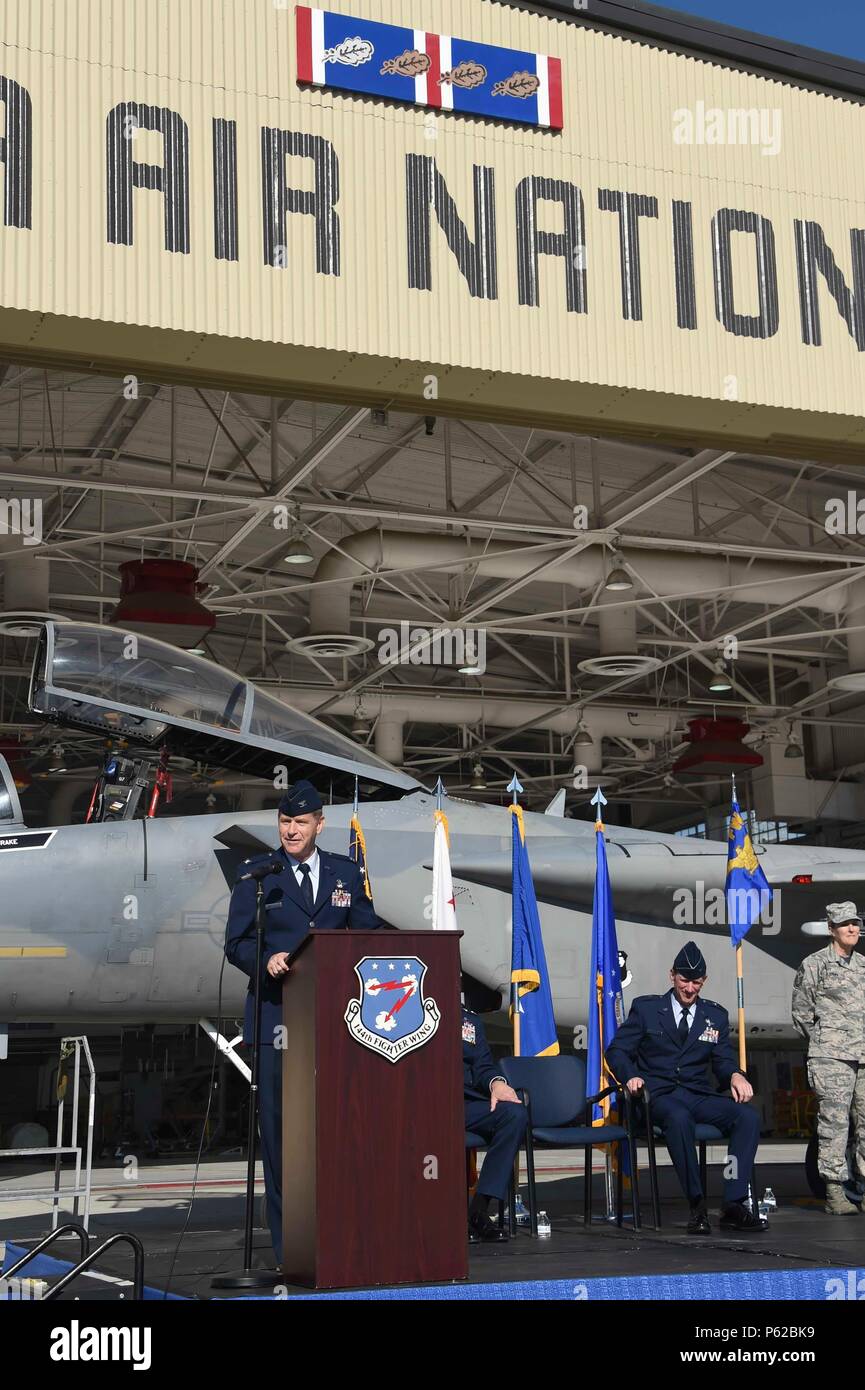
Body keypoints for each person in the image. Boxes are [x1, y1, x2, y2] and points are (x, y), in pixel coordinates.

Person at [225, 780, 380, 1260]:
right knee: (282, 1136)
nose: (291, 831)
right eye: (285, 822)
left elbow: (366, 933)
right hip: (277, 1021)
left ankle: (342, 1235)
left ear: (319, 823)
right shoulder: (257, 875)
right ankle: (290, 1246)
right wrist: (267, 959)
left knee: (337, 1130)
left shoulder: (345, 873)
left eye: (301, 822)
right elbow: (236, 943)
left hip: (337, 1024)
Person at [605, 941, 761, 1234]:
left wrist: (736, 1076)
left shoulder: (714, 1015)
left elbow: (722, 1060)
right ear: (672, 976)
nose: (690, 989)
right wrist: (630, 1076)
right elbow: (617, 1052)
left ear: (704, 981)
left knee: (748, 1117)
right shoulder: (648, 1009)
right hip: (657, 1095)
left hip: (697, 1094)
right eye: (684, 981)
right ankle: (697, 1204)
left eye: (697, 983)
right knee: (678, 1119)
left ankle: (734, 1202)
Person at [791, 900, 865, 1216]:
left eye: (856, 923)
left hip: (863, 1057)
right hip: (831, 1058)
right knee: (834, 1125)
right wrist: (826, 1043)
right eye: (846, 924)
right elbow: (801, 1013)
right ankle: (835, 1193)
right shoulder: (814, 965)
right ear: (832, 929)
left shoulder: (863, 965)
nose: (853, 928)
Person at [462, 1006, 527, 1242]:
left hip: (467, 1103)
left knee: (514, 1114)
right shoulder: (412, 1012)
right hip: (429, 1102)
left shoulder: (468, 1019)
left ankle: (478, 1209)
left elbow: (482, 1066)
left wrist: (496, 1083)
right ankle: (448, 1215)